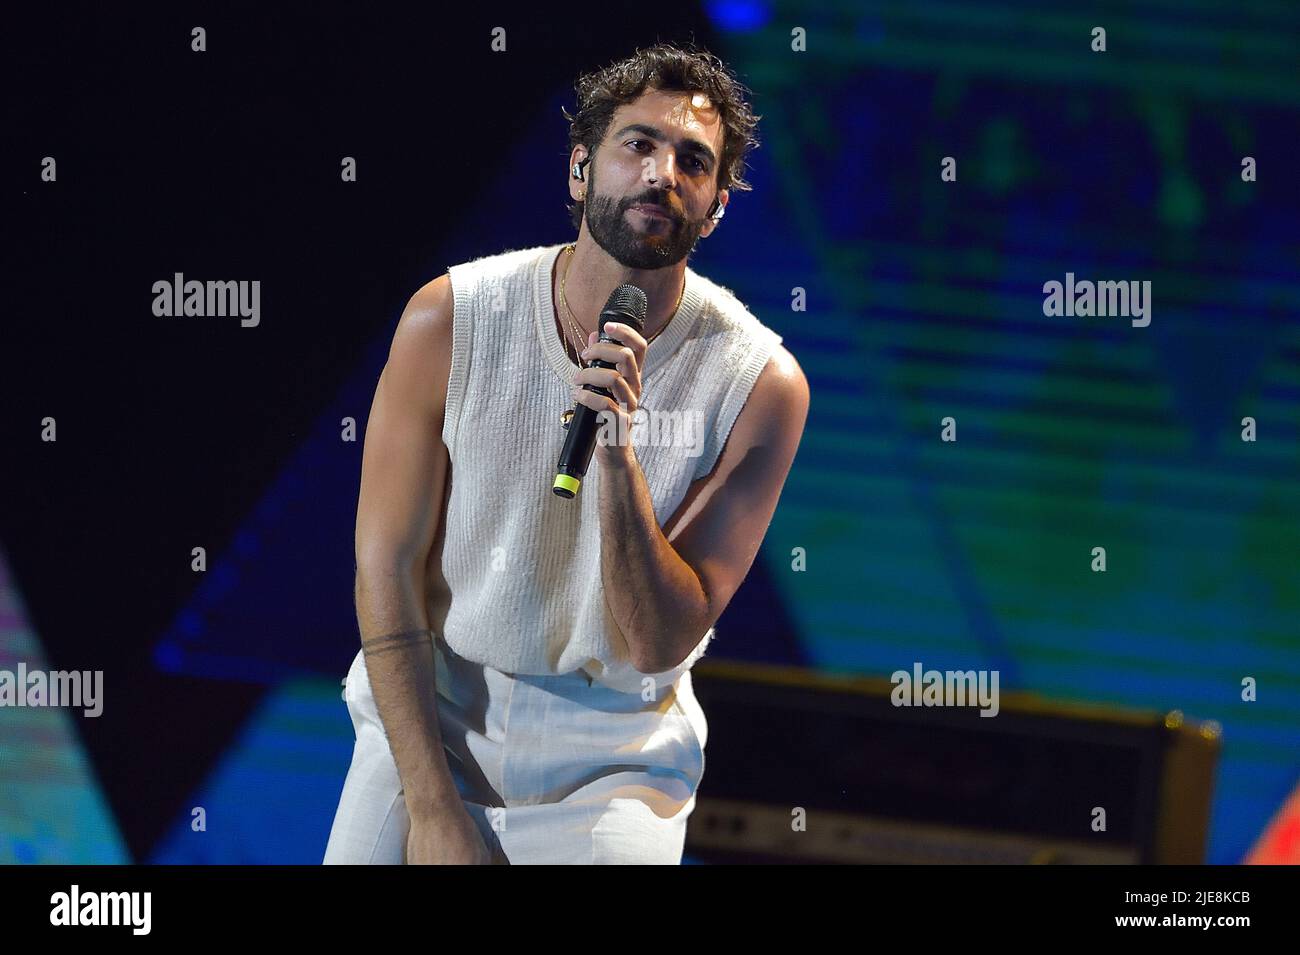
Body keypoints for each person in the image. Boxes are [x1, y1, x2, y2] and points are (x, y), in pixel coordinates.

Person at [323, 42, 809, 865]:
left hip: (614, 753)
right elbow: (386, 571)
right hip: (434, 709)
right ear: (581, 170)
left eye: (693, 161)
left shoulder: (760, 382)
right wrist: (434, 812)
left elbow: (658, 641)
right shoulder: (450, 319)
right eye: (639, 144)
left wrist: (618, 455)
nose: (662, 172)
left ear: (716, 206)